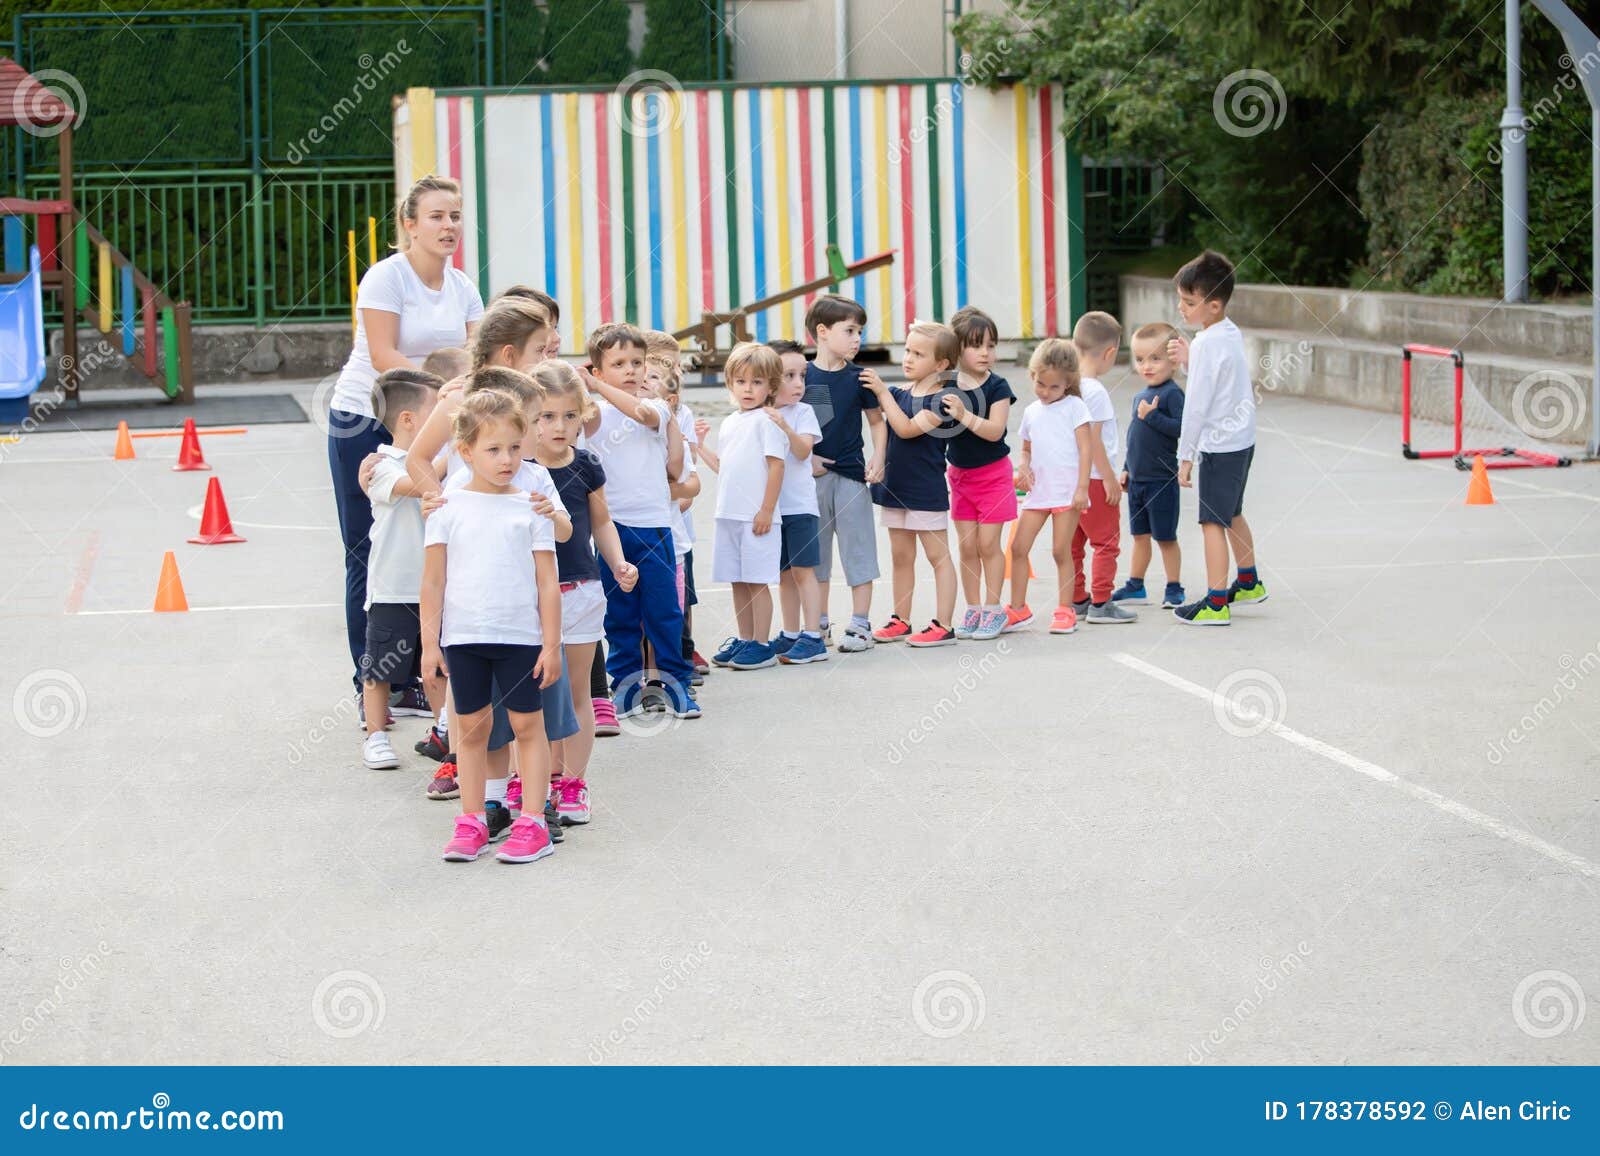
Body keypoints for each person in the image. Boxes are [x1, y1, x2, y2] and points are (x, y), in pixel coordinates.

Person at [328, 174, 483, 714]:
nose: (449, 226)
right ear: (409, 225)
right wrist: (449, 395)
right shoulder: (385, 277)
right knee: (367, 549)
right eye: (437, 216)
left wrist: (462, 403)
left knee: (433, 541)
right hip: (369, 417)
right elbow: (381, 354)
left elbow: (474, 357)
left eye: (456, 216)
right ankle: (373, 678)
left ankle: (420, 672)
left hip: (437, 420)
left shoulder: (463, 286)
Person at [420, 389, 562, 864]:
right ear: (465, 452)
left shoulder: (532, 506)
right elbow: (433, 582)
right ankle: (473, 820)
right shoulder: (446, 506)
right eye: (493, 449)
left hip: (521, 637)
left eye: (515, 448)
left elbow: (547, 583)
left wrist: (552, 644)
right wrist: (429, 646)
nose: (507, 459)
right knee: (472, 732)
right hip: (464, 638)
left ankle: (533, 822)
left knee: (527, 726)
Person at [528, 360, 639, 825]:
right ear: (528, 417)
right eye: (547, 416)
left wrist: (616, 561)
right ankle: (536, 779)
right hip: (528, 597)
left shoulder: (587, 464)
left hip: (580, 590)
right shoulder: (517, 468)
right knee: (532, 696)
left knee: (576, 694)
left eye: (569, 416)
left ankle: (573, 783)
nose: (559, 426)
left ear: (582, 416)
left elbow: (602, 522)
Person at [583, 323, 700, 717]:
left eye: (637, 362)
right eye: (619, 364)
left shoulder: (657, 407)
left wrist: (598, 387)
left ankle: (675, 684)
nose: (632, 370)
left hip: (654, 527)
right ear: (597, 370)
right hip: (611, 530)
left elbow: (640, 413)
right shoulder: (592, 415)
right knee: (620, 615)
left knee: (664, 610)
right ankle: (626, 687)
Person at [1170, 249, 1267, 626]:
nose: (1182, 307)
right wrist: (1189, 359)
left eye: (1189, 302)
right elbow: (1218, 382)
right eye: (1180, 299)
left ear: (1212, 305)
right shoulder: (1226, 332)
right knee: (1232, 513)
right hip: (1241, 440)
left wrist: (1185, 454)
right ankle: (1248, 582)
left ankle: (1214, 602)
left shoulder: (1206, 342)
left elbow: (1196, 405)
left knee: (1212, 522)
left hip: (1219, 445)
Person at [358, 369, 445, 770]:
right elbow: (418, 484)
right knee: (379, 669)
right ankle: (375, 736)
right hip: (394, 586)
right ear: (409, 419)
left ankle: (446, 729)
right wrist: (457, 447)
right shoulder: (381, 464)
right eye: (438, 411)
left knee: (440, 664)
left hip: (438, 586)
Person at [862, 321, 960, 647]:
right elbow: (882, 430)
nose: (908, 358)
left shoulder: (943, 401)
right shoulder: (899, 393)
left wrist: (880, 391)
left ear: (941, 365)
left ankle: (943, 625)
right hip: (894, 489)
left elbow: (904, 429)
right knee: (901, 557)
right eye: (907, 350)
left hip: (924, 492)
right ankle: (900, 619)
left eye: (918, 354)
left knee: (938, 558)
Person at [802, 294, 885, 652]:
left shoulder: (860, 378)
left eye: (860, 331)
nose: (857, 339)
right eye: (849, 330)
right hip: (811, 480)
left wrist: (880, 456)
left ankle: (860, 623)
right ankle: (818, 624)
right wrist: (808, 461)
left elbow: (877, 423)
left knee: (859, 549)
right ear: (822, 332)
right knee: (815, 555)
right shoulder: (802, 375)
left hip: (852, 477)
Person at [707, 343, 788, 670]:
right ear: (731, 383)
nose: (748, 389)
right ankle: (745, 639)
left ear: (770, 386)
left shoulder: (766, 421)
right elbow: (725, 467)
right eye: (741, 382)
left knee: (757, 581)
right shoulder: (729, 423)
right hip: (729, 513)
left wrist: (766, 509)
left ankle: (761, 643)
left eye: (756, 382)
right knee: (737, 580)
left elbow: (777, 466)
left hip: (757, 516)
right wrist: (698, 447)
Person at [1005, 340, 1094, 634]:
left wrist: (1082, 489)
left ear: (1068, 384)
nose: (1045, 392)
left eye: (1053, 387)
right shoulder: (1032, 412)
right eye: (1040, 384)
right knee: (1018, 547)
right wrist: (1024, 467)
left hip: (1067, 493)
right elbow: (1027, 449)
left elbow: (1086, 449)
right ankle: (1018, 609)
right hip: (1038, 493)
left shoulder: (1075, 407)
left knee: (1060, 551)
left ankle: (1065, 610)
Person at [940, 306, 1017, 642]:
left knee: (989, 545)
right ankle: (973, 608)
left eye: (991, 345)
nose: (986, 352)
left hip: (994, 476)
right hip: (960, 476)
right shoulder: (945, 384)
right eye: (976, 345)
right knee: (968, 546)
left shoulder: (998, 386)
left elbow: (995, 431)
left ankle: (994, 609)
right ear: (957, 349)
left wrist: (964, 414)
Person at [1111, 322, 1186, 609]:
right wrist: (1127, 467)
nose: (1147, 366)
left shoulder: (1172, 394)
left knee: (1165, 537)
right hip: (1139, 480)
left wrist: (1153, 417)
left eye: (1155, 358)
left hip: (1161, 480)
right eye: (1141, 359)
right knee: (1139, 536)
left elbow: (1182, 428)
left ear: (1173, 361)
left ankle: (1174, 587)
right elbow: (1134, 437)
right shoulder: (1139, 395)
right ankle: (1135, 585)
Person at [1069, 311, 1136, 624]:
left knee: (1074, 543)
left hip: (1070, 479)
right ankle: (1102, 601)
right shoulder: (1095, 391)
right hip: (1095, 479)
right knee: (1106, 543)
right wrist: (1109, 478)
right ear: (1110, 353)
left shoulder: (1067, 386)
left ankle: (1077, 597)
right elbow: (1094, 442)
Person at [765, 340, 827, 665]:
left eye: (802, 375)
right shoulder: (759, 413)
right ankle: (790, 634)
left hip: (800, 507)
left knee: (804, 572)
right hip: (775, 509)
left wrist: (784, 425)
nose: (799, 384)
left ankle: (813, 636)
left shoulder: (804, 413)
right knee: (785, 574)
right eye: (789, 375)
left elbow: (803, 452)